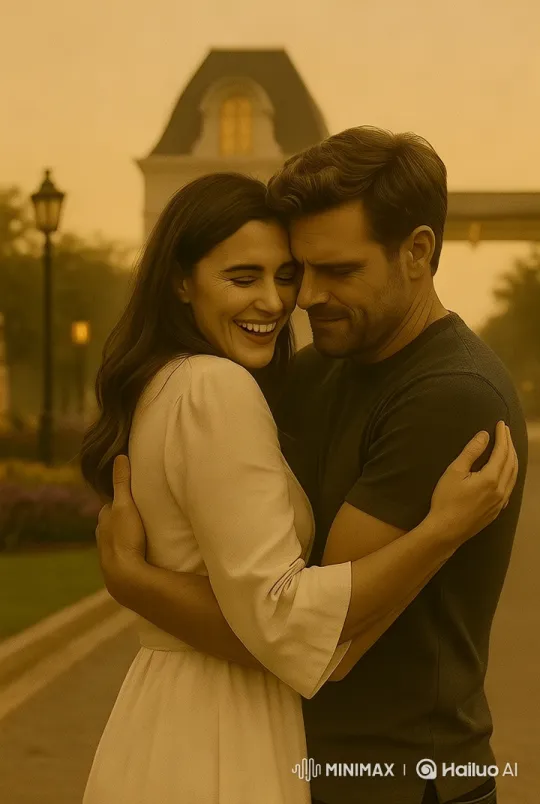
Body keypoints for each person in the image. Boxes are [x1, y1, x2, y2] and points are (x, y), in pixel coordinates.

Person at [82, 153, 522, 804]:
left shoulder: (447, 394)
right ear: (181, 282)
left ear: (418, 252)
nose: (304, 297)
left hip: (396, 776)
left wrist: (138, 583)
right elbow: (276, 604)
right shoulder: (307, 374)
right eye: (301, 270)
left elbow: (327, 642)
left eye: (335, 271)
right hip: (281, 755)